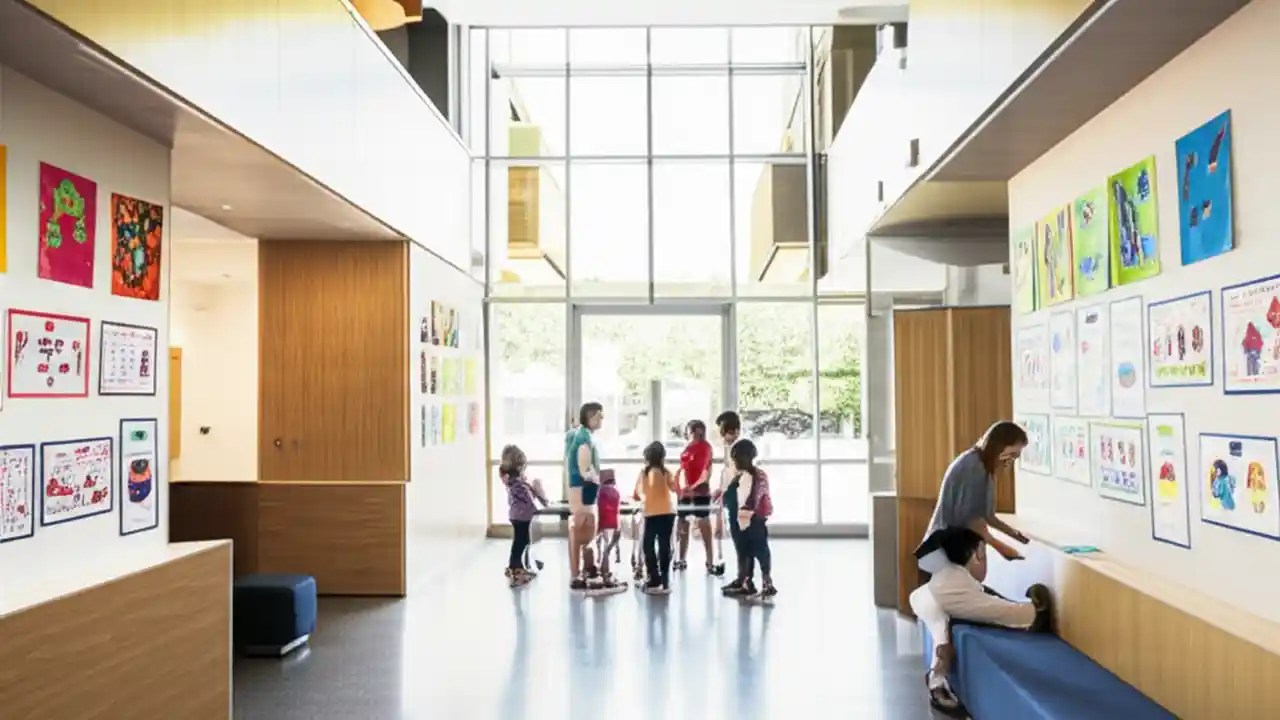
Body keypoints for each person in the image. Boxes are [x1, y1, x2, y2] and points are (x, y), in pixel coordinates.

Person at [910, 526, 1053, 714]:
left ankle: (937, 683)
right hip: (936, 603)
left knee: (945, 628)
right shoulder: (958, 588)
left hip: (924, 596)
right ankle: (937, 685)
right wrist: (1036, 609)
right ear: (976, 553)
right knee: (943, 639)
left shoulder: (949, 574)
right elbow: (1004, 612)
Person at [917, 421, 1032, 578]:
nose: (1014, 459)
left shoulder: (986, 467)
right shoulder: (974, 466)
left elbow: (988, 516)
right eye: (1014, 453)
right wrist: (1001, 547)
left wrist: (1015, 535)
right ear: (1001, 445)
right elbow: (971, 520)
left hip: (954, 551)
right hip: (945, 551)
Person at [712, 411, 752, 596]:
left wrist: (725, 490)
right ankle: (742, 577)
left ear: (734, 430)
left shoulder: (739, 449)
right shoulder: (730, 448)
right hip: (730, 495)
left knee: (742, 538)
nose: (723, 436)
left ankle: (744, 579)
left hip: (738, 497)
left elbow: (737, 475)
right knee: (738, 538)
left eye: (725, 431)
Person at [732, 439, 777, 600]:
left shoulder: (749, 477)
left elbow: (750, 498)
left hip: (750, 520)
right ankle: (758, 581)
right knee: (757, 551)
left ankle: (755, 582)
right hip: (756, 519)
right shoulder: (759, 475)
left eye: (736, 458)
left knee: (751, 552)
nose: (735, 462)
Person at [566, 402, 604, 590]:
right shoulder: (584, 438)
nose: (601, 419)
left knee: (581, 527)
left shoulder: (580, 435)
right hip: (583, 488)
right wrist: (598, 477)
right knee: (583, 528)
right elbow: (584, 468)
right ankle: (577, 573)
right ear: (591, 418)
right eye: (599, 416)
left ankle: (580, 570)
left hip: (581, 488)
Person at [499, 445, 548, 588]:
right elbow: (527, 498)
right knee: (522, 541)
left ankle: (515, 566)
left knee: (519, 542)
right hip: (522, 517)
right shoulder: (518, 484)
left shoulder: (512, 481)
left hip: (516, 516)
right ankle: (517, 568)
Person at [634, 441, 679, 595]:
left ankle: (654, 576)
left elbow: (636, 493)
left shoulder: (643, 474)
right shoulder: (666, 472)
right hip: (667, 513)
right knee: (664, 545)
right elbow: (675, 489)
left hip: (650, 514)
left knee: (648, 545)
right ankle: (665, 579)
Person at [675, 419, 718, 574]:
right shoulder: (688, 447)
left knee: (704, 523)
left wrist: (693, 487)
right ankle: (681, 558)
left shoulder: (705, 447)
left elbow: (703, 471)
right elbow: (684, 469)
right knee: (683, 523)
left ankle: (710, 560)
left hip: (700, 491)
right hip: (685, 492)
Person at [595, 471, 622, 587]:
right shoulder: (616, 492)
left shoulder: (599, 491)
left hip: (602, 523)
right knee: (607, 549)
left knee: (602, 547)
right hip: (614, 524)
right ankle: (605, 573)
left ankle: (603, 572)